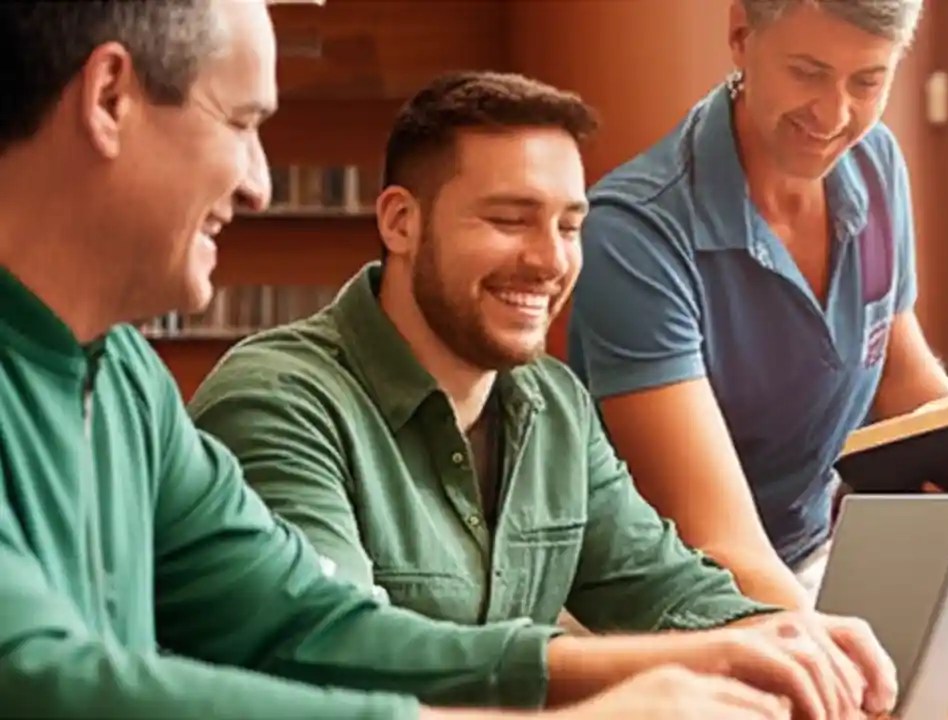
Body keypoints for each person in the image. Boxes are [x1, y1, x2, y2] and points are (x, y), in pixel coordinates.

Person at [0, 2, 798, 719]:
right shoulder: (274, 396)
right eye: (241, 124)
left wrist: (721, 654)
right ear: (111, 98)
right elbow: (41, 682)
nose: (258, 186)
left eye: (568, 225)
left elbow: (310, 624)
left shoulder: (129, 380)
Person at [188, 69, 898, 719]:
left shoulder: (555, 404)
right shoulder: (276, 404)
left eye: (569, 225)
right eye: (509, 220)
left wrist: (789, 638)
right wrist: (680, 666)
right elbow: (341, 653)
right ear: (401, 222)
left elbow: (668, 587)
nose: (551, 260)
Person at [564, 0, 948, 609]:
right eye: (807, 73)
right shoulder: (633, 235)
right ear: (741, 35)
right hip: (674, 596)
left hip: (812, 563)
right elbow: (714, 539)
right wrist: (832, 646)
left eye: (866, 82)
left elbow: (903, 383)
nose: (833, 115)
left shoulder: (874, 163)